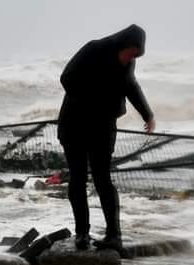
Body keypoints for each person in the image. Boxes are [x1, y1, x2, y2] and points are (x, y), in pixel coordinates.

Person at [57, 24, 155, 252]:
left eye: (136, 55)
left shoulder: (128, 61)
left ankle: (114, 235)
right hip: (76, 123)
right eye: (130, 52)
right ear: (122, 44)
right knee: (78, 177)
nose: (131, 58)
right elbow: (67, 78)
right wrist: (93, 101)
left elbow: (131, 86)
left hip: (103, 127)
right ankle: (82, 233)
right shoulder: (94, 49)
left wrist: (147, 114)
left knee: (103, 179)